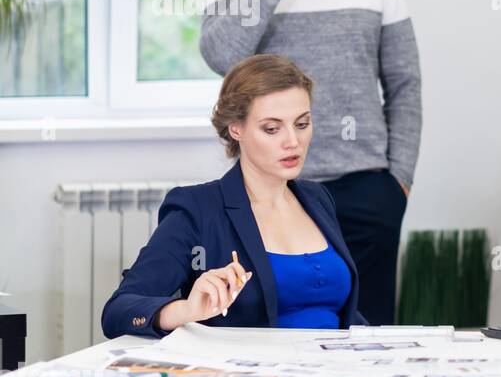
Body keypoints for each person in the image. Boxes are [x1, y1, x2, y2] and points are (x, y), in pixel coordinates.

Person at [199, 0, 420, 325]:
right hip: (270, 189)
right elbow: (222, 57)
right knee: (269, 325)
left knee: (370, 330)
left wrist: (398, 181)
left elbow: (404, 84)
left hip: (367, 187)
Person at [101, 55, 365, 337]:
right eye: (272, 129)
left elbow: (345, 313)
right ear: (235, 128)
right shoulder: (197, 210)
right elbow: (119, 311)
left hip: (333, 371)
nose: (293, 141)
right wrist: (187, 310)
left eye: (301, 124)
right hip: (258, 376)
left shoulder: (318, 199)